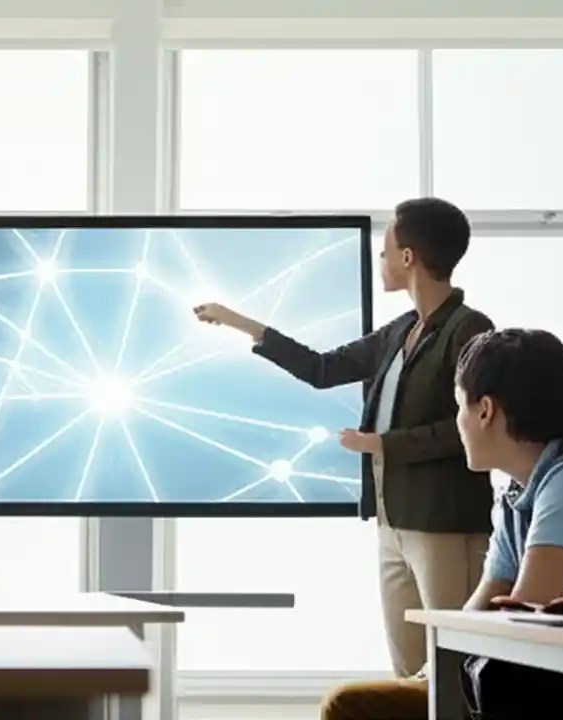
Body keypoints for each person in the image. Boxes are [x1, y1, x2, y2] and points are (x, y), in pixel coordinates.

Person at [194, 198, 494, 678]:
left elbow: (475, 426)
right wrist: (242, 323)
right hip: (392, 521)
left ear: (409, 257)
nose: (381, 260)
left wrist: (383, 445)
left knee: (453, 665)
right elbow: (321, 368)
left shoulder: (470, 329)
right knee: (407, 668)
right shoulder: (399, 332)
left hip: (444, 521)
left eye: (385, 250)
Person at [320, 328, 563, 720]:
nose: (458, 423)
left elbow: (522, 625)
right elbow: (477, 616)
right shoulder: (516, 496)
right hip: (537, 684)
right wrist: (431, 674)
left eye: (459, 407)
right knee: (350, 705)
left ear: (485, 410)